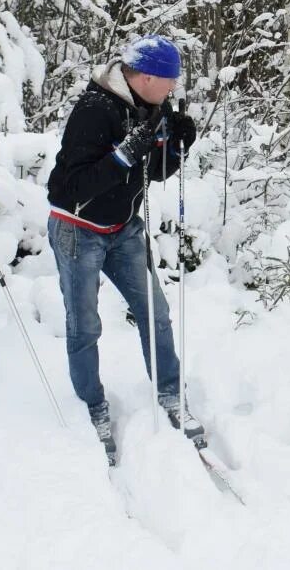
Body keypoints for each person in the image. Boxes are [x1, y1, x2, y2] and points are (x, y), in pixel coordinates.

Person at [46, 35, 201, 465]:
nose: (174, 88)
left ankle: (170, 392)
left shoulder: (152, 106)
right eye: (170, 80)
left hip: (123, 228)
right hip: (78, 229)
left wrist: (178, 146)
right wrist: (124, 155)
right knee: (84, 324)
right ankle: (91, 403)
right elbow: (71, 186)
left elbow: (155, 172)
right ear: (146, 77)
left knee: (155, 312)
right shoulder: (94, 110)